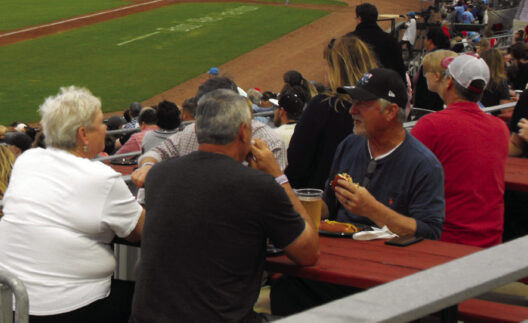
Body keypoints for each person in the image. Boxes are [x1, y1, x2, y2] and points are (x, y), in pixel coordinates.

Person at [131, 89, 319, 323]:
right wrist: (278, 176)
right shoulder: (258, 185)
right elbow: (308, 253)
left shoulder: (159, 175)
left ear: (197, 130)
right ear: (243, 132)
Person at [270, 68, 445, 316]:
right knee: (285, 289)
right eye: (354, 102)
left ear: (391, 111)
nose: (352, 110)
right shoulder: (350, 145)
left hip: (388, 279)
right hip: (340, 265)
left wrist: (372, 209)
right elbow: (329, 202)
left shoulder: (424, 165)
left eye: (362, 104)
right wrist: (300, 204)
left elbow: (430, 234)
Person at [0, 86, 145, 320]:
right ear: (83, 134)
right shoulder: (101, 177)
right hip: (64, 309)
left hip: (4, 300)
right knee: (151, 299)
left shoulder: (27, 160)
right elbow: (140, 231)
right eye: (100, 122)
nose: (106, 129)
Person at [412, 53, 508, 246]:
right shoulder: (500, 128)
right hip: (491, 241)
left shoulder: (432, 125)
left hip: (444, 243)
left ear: (449, 83)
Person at [132, 77, 288, 189]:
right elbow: (158, 151)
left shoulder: (268, 142)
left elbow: (276, 205)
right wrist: (147, 165)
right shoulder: (190, 132)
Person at [284, 36, 378, 190]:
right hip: (366, 200)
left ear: (336, 69)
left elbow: (296, 162)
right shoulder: (378, 108)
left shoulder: (323, 106)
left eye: (328, 64)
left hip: (320, 201)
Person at [348, 3, 406, 74]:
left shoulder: (347, 40)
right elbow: (400, 70)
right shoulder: (391, 40)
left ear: (359, 19)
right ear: (376, 18)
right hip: (385, 82)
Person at [413, 27, 451, 111]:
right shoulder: (443, 55)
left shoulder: (431, 59)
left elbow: (428, 91)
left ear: (430, 41)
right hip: (436, 106)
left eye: (426, 38)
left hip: (427, 109)